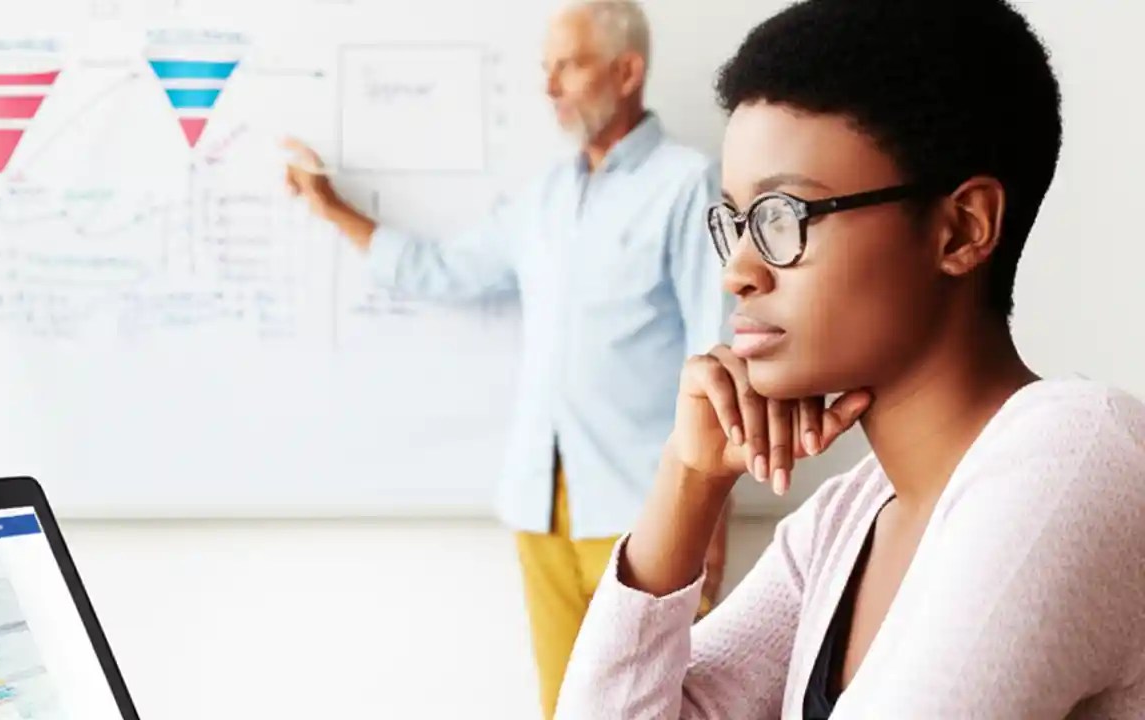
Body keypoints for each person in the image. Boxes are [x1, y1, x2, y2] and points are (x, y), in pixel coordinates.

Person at [555, 0, 1145, 717]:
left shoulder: (1077, 456)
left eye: (782, 217)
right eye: (736, 222)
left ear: (962, 230)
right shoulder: (844, 521)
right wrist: (689, 476)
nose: (737, 270)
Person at [283, 1, 730, 715]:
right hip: (539, 505)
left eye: (570, 65)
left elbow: (718, 347)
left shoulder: (686, 185)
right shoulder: (545, 198)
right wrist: (333, 208)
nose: (550, 86)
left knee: (664, 709)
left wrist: (708, 507)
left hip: (645, 506)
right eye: (545, 69)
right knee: (564, 708)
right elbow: (445, 271)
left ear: (627, 69)